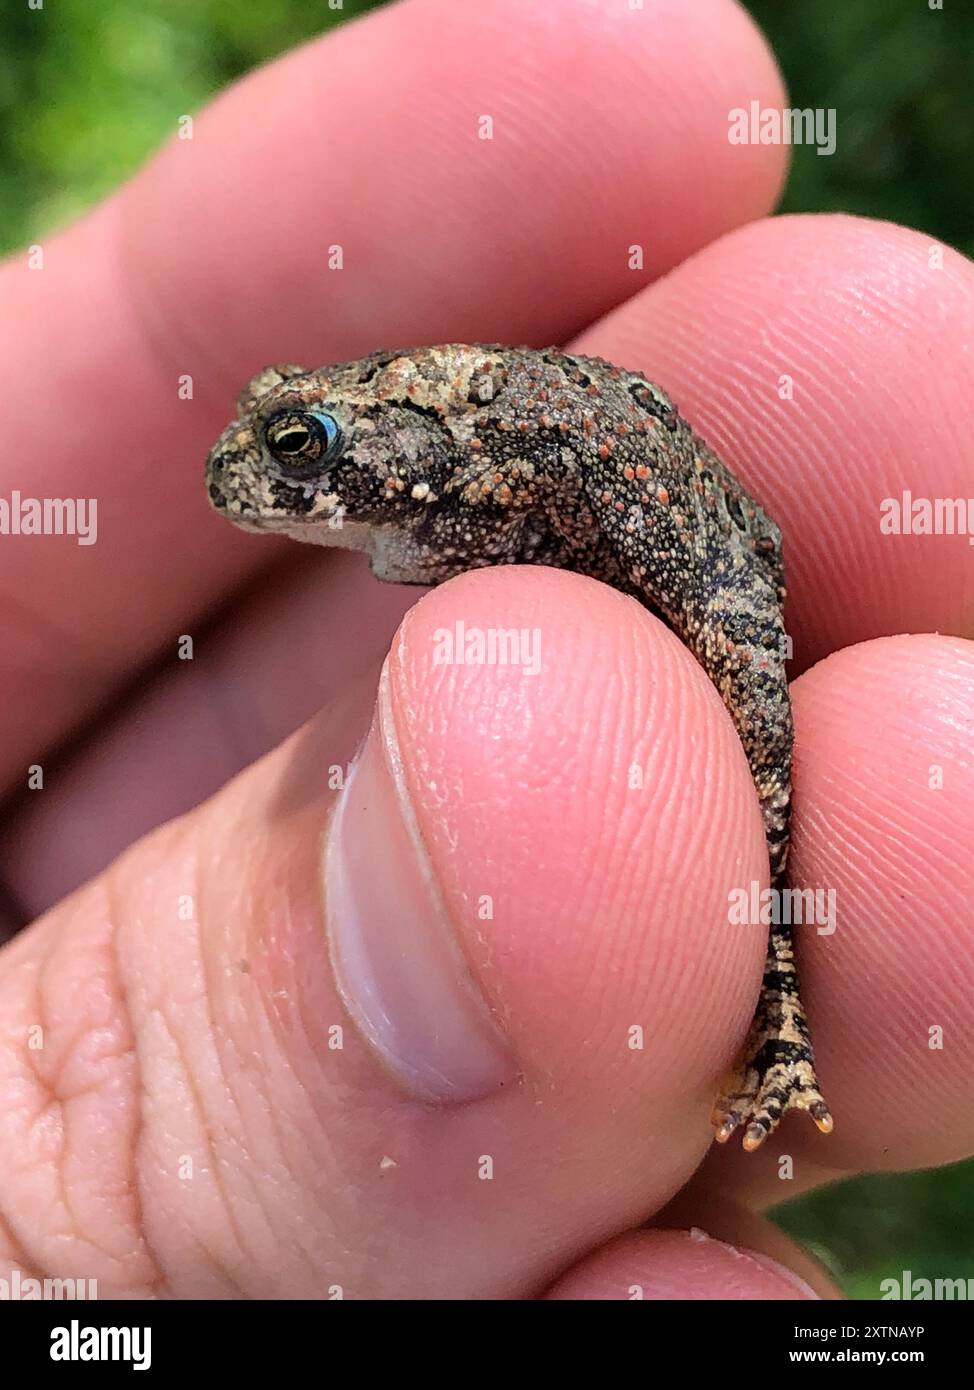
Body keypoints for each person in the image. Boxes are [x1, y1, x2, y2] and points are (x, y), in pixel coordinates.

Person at [0, 0, 971, 1300]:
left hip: (711, 565)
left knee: (764, 770)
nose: (257, 473)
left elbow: (578, 467)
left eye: (299, 453)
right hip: (636, 530)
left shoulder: (457, 456)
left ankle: (779, 1018)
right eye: (276, 439)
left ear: (376, 446)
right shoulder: (428, 467)